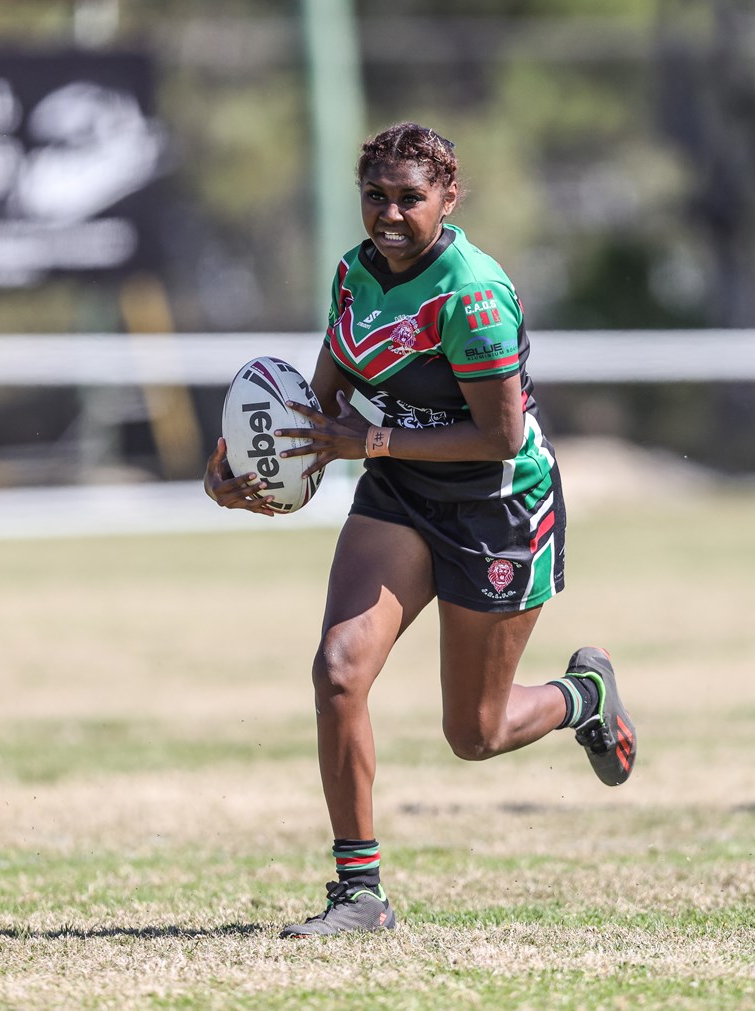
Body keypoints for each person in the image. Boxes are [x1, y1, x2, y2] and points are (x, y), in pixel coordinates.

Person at [204, 121, 636, 935]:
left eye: (410, 198)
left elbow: (501, 435)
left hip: (497, 506)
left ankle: (585, 694)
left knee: (474, 733)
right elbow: (319, 409)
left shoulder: (469, 292)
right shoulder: (353, 276)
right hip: (401, 492)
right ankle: (359, 895)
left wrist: (363, 441)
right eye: (376, 196)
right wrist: (247, 471)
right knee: (338, 672)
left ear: (448, 197)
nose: (390, 215)